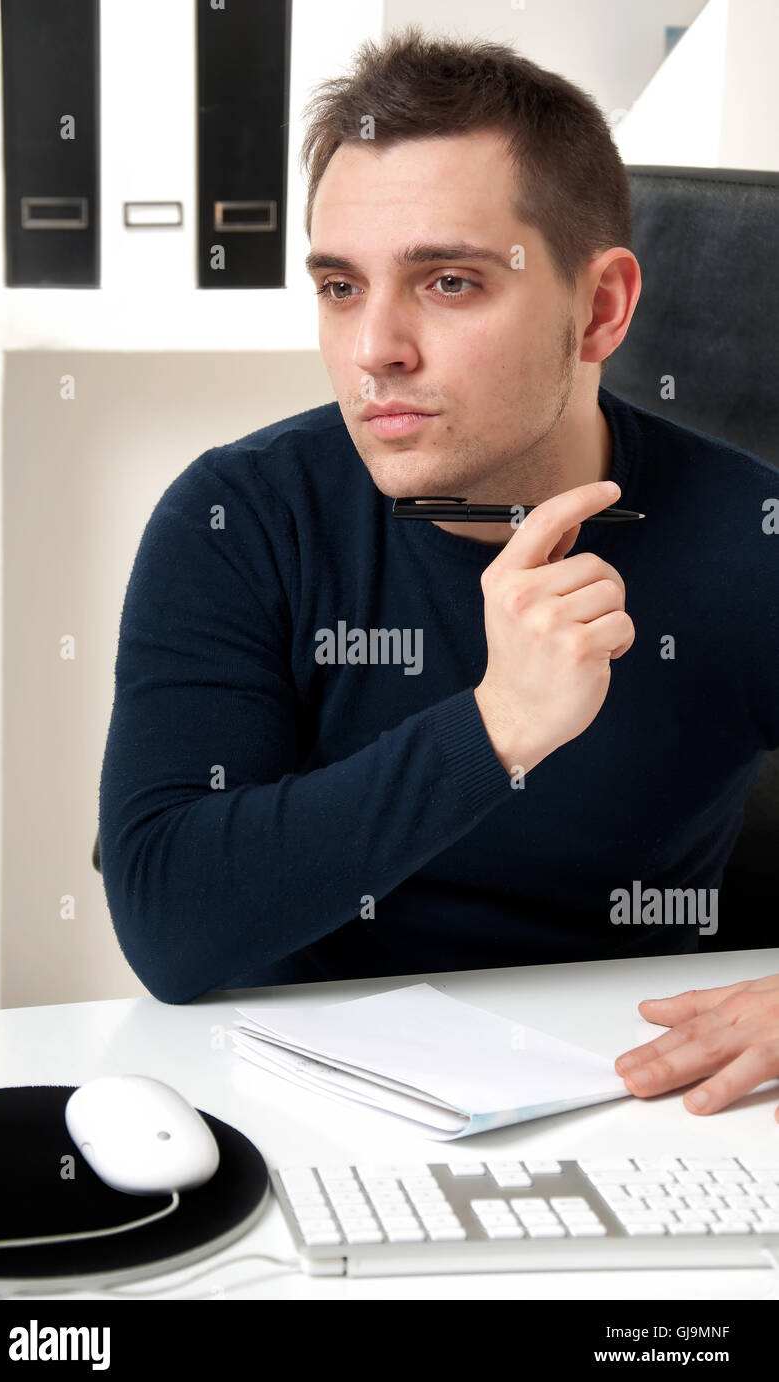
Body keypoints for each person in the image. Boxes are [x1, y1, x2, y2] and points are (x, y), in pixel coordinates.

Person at [98, 28, 779, 1121]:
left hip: (636, 1091)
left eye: (448, 281)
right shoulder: (234, 518)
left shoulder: (750, 533)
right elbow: (169, 924)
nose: (375, 348)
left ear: (600, 308)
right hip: (290, 1088)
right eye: (338, 286)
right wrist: (496, 724)